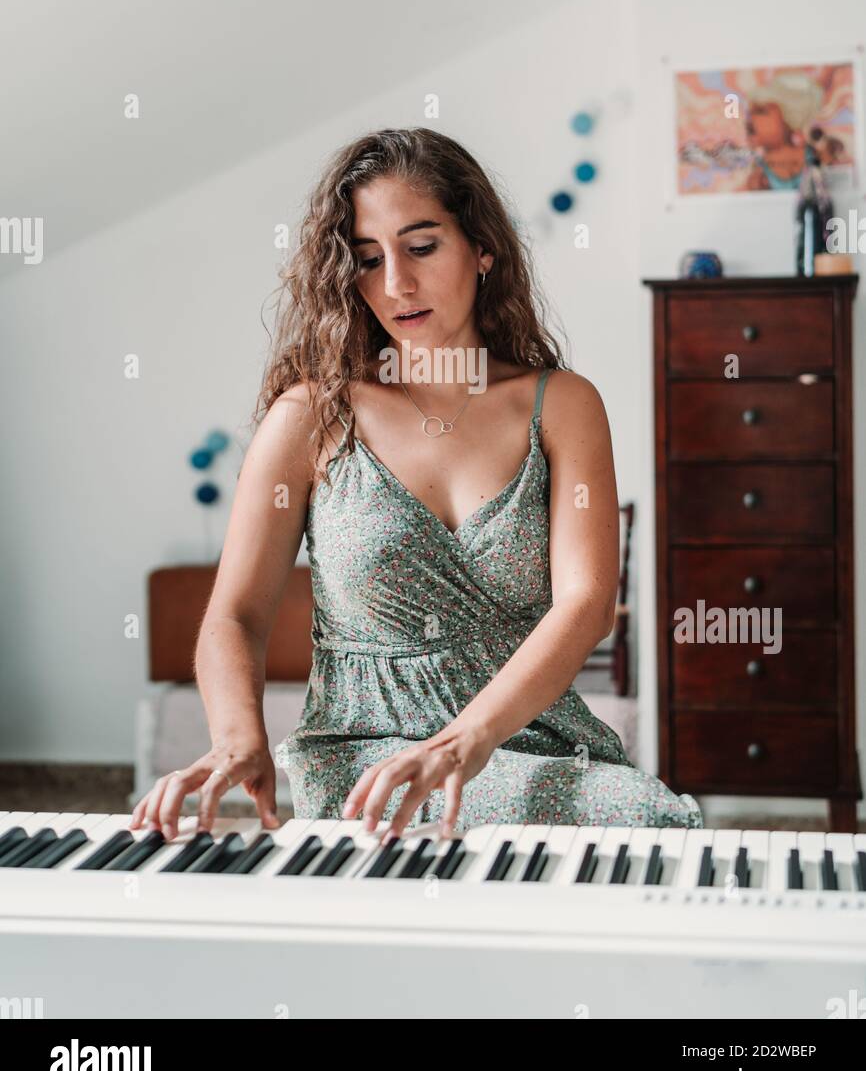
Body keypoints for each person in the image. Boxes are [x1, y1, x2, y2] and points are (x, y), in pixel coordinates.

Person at [131, 128, 702, 843]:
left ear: (482, 249)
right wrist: (235, 739)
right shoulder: (311, 415)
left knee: (647, 821)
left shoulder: (561, 404)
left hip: (530, 742)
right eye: (368, 259)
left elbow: (586, 603)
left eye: (422, 246)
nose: (395, 283)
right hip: (362, 762)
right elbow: (235, 615)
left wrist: (467, 740)